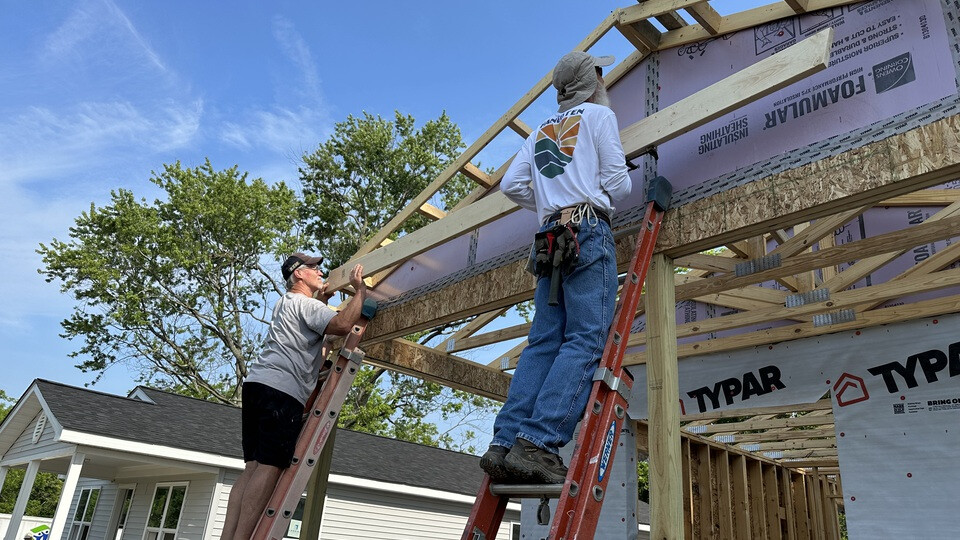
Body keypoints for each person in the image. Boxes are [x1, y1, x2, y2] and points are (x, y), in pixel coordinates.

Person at [481, 51, 632, 484]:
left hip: (549, 238)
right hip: (585, 231)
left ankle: (505, 441)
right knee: (585, 339)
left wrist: (549, 205)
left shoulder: (539, 131)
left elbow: (512, 186)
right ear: (594, 80)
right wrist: (590, 189)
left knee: (544, 340)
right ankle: (540, 442)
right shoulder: (601, 117)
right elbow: (619, 187)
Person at [222, 253, 368, 539]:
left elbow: (317, 338)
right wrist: (360, 291)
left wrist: (325, 299)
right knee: (269, 466)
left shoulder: (287, 304)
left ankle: (229, 537)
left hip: (258, 385)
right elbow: (340, 325)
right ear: (298, 275)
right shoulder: (303, 303)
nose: (319, 270)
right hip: (282, 391)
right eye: (313, 268)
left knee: (252, 466)